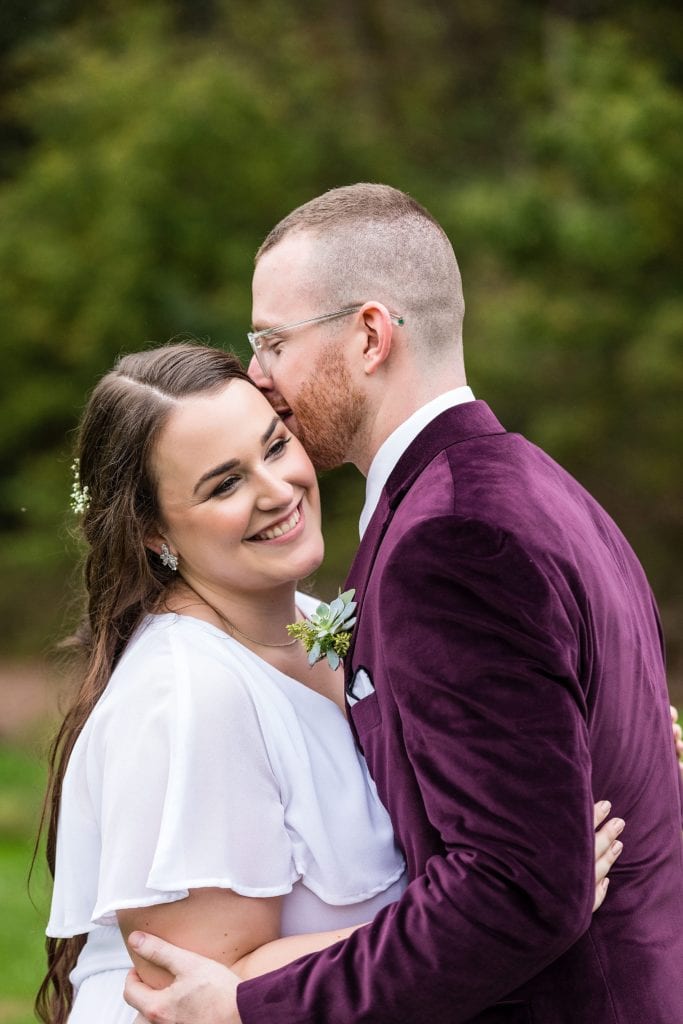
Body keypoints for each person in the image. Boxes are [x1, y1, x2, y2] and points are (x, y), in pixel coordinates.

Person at [124, 184, 683, 1024]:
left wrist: (251, 1008)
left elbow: (514, 888)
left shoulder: (451, 539)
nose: (259, 376)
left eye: (272, 342)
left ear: (370, 335)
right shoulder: (538, 490)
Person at [40, 343, 621, 1024]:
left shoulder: (328, 624)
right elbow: (194, 996)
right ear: (152, 533)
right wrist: (506, 913)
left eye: (275, 445)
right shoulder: (192, 698)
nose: (278, 489)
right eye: (224, 484)